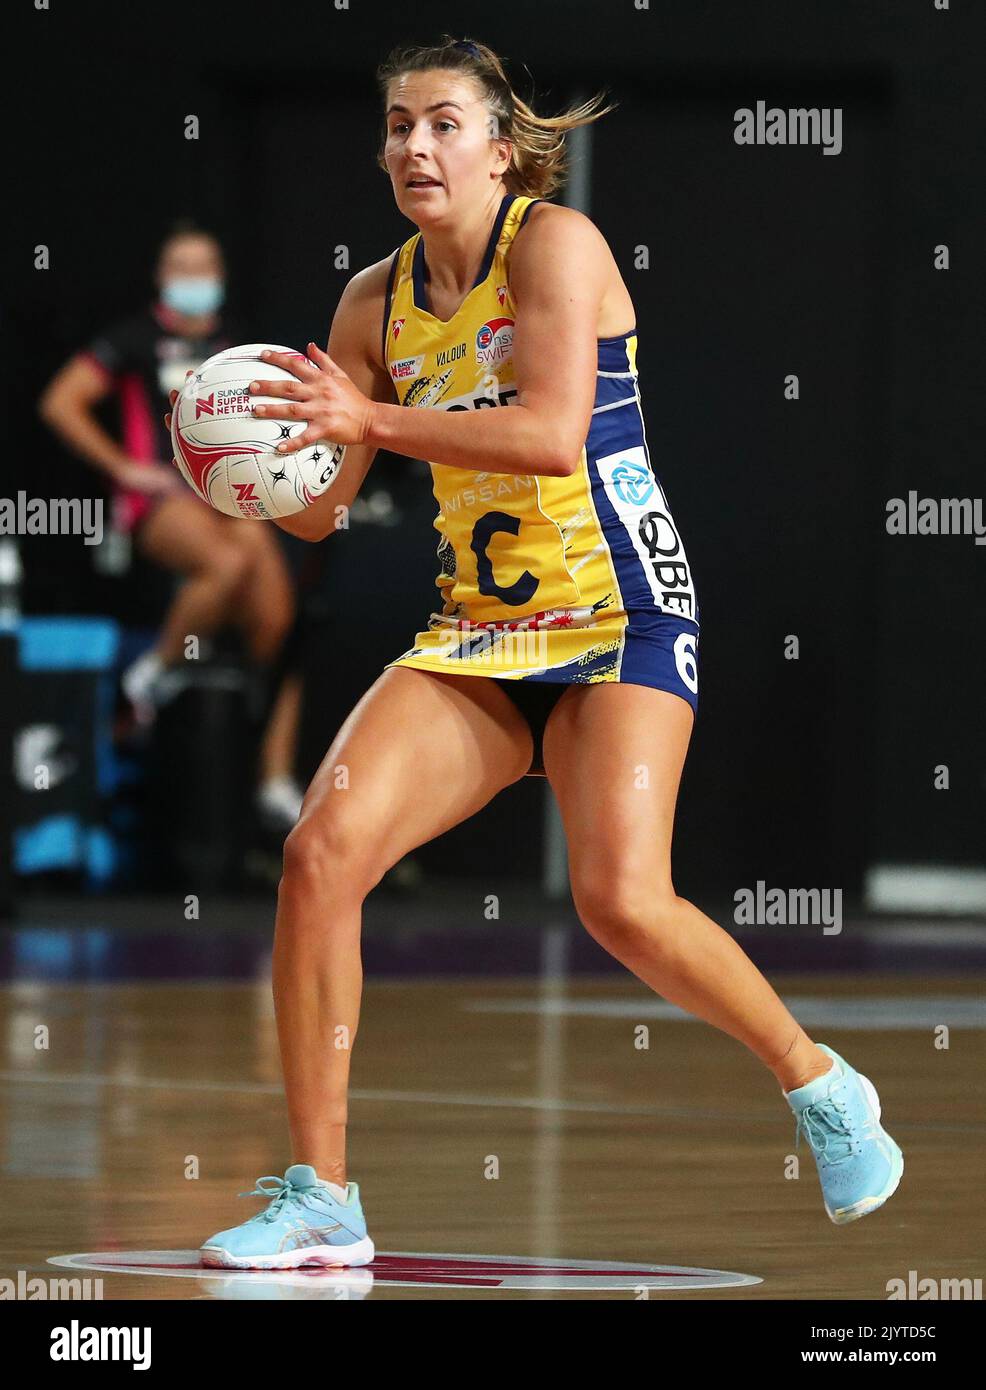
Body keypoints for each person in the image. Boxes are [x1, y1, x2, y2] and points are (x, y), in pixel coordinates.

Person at [190, 35, 903, 1270]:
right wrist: (243, 457)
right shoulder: (371, 302)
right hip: (478, 629)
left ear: (500, 145)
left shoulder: (555, 246)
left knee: (621, 900)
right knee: (318, 853)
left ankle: (818, 1081)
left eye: (443, 123)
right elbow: (326, 501)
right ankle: (322, 1201)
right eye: (399, 124)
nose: (416, 145)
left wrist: (364, 416)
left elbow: (548, 431)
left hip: (620, 606)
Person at [38, 223, 308, 831]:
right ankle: (155, 673)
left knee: (280, 630)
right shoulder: (134, 339)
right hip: (157, 503)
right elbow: (60, 401)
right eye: (183, 268)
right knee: (227, 565)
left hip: (230, 495)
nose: (195, 280)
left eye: (205, 268)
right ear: (163, 278)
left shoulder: (236, 344)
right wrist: (125, 469)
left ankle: (273, 780)